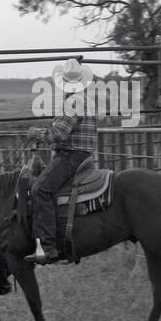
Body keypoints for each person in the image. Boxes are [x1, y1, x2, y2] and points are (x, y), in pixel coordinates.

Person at [25, 59, 98, 264]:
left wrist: (37, 134)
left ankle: (48, 248)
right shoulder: (83, 99)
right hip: (80, 154)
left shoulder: (74, 101)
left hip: (71, 156)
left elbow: (60, 133)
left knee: (40, 189)